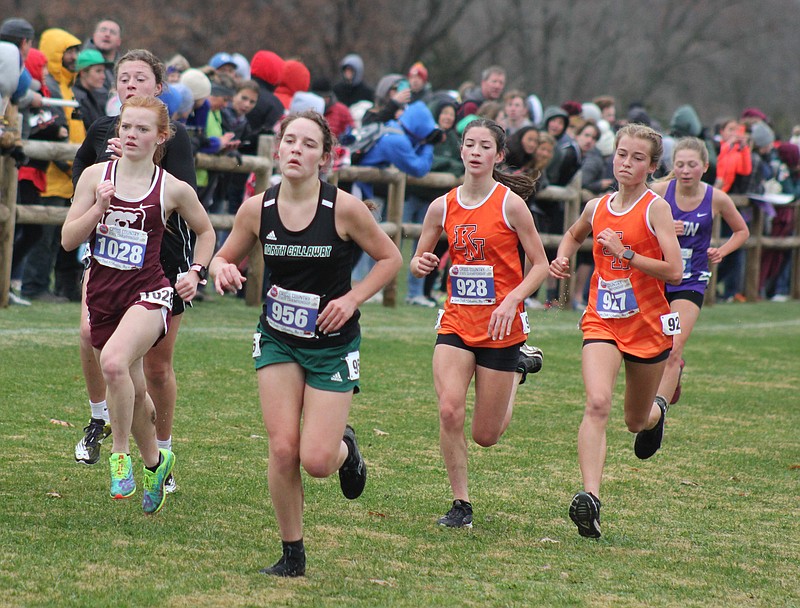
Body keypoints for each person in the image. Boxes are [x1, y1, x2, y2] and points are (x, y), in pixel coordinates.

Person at [209, 110, 402, 576]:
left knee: (316, 460)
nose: (296, 149)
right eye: (289, 140)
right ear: (277, 150)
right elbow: (222, 255)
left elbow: (390, 258)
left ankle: (345, 449)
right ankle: (292, 553)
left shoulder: (345, 209)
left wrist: (353, 299)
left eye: (307, 143)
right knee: (281, 449)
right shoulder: (257, 208)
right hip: (278, 338)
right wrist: (222, 269)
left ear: (324, 157)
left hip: (332, 345)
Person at [62, 96, 215, 514]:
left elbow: (206, 232)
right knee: (134, 387)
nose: (131, 135)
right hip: (103, 294)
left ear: (160, 137)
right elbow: (68, 239)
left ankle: (120, 456)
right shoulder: (96, 176)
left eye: (143, 129)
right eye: (127, 127)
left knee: (112, 363)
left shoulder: (172, 188)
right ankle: (156, 463)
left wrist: (195, 272)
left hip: (149, 293)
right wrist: (98, 207)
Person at [410, 118, 549, 528]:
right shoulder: (442, 205)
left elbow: (540, 266)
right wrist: (421, 263)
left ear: (498, 155)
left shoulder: (510, 205)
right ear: (461, 150)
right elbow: (420, 260)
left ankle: (518, 370)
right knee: (450, 410)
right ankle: (461, 504)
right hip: (455, 322)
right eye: (469, 144)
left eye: (484, 146)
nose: (474, 152)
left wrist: (513, 298)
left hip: (501, 328)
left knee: (485, 435)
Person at [549, 123, 683, 539]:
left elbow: (675, 271)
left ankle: (659, 410)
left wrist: (626, 253)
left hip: (645, 325)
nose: (626, 163)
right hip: (602, 320)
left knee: (634, 420)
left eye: (637, 158)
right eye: (622, 154)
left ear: (652, 166)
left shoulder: (654, 209)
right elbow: (572, 237)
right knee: (597, 404)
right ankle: (590, 499)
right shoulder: (596, 206)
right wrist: (562, 262)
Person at [649, 137, 749, 406]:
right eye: (679, 164)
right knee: (652, 347)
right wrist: (664, 227)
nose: (684, 170)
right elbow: (635, 222)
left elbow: (742, 231)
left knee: (673, 344)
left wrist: (722, 250)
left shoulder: (715, 198)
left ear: (704, 166)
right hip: (657, 279)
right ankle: (673, 374)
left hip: (690, 281)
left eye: (691, 165)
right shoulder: (658, 192)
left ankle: (657, 413)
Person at [73, 49, 112, 129]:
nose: (103, 76)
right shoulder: (77, 98)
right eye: (98, 71)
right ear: (83, 72)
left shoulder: (91, 96)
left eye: (103, 71)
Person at [83, 19, 122, 96]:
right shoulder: (79, 62)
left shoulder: (124, 67)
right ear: (94, 36)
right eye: (103, 30)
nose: (107, 34)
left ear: (119, 41)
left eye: (112, 32)